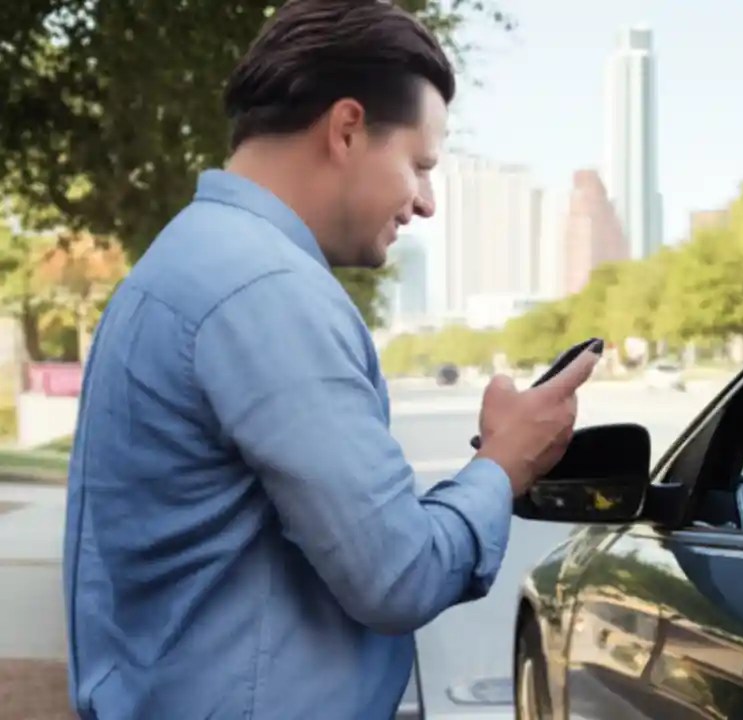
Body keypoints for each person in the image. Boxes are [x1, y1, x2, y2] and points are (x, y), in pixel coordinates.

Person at [60, 1, 600, 717]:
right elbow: (399, 575)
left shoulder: (188, 260)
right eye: (419, 164)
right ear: (347, 128)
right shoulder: (267, 291)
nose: (427, 203)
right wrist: (506, 462)